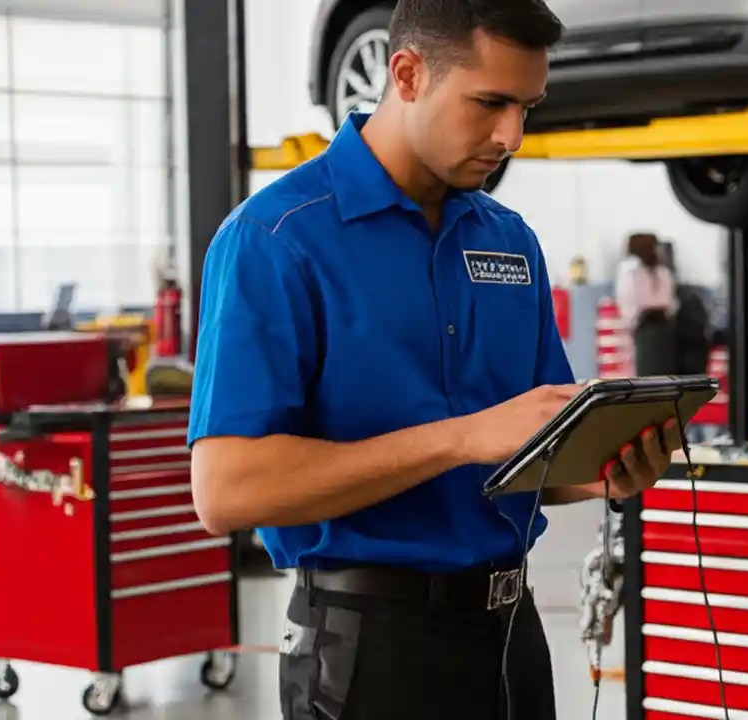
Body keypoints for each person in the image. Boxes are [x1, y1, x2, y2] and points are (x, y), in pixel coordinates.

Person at [186, 2, 680, 719]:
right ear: (408, 74)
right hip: (370, 650)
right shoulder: (276, 239)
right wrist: (460, 438)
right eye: (489, 103)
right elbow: (225, 491)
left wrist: (605, 467)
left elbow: (529, 453)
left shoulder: (510, 241)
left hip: (514, 637)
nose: (510, 134)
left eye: (527, 107)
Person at [615, 232, 679, 377]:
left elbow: (669, 301)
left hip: (656, 327)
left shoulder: (660, 271)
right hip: (649, 325)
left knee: (656, 375)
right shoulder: (633, 270)